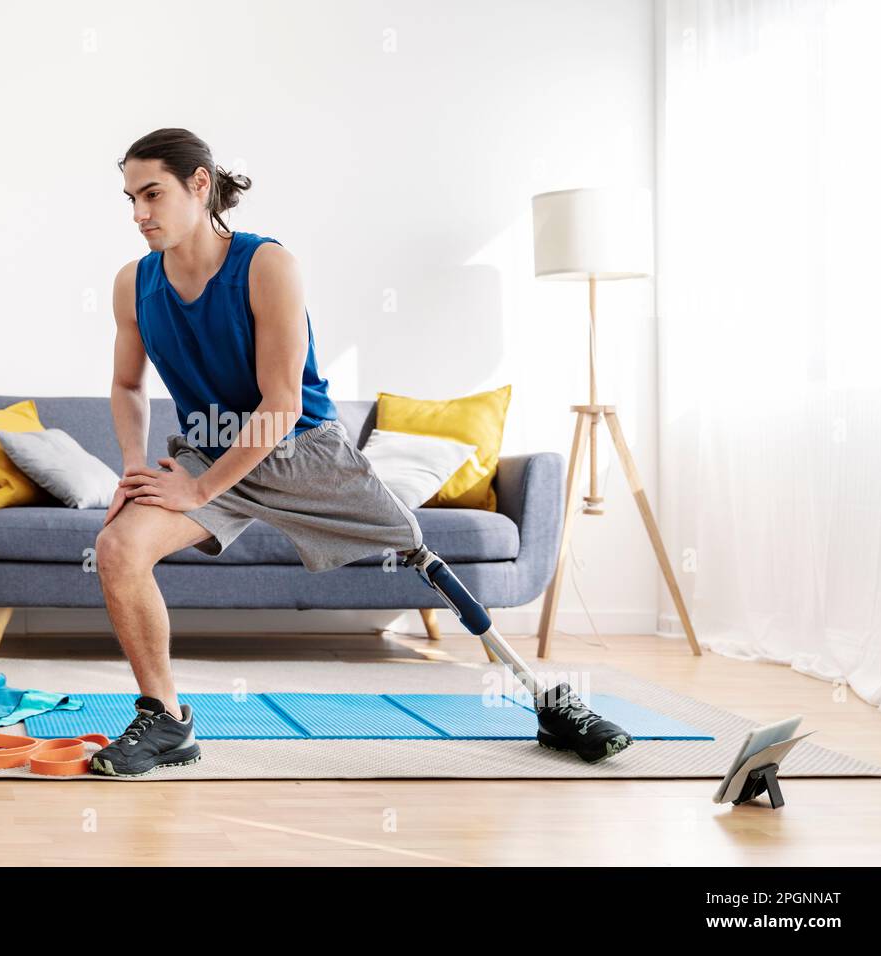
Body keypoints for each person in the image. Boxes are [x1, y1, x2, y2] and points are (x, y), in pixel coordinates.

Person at [89, 128, 631, 777]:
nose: (139, 214)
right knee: (119, 548)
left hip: (302, 451)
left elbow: (282, 404)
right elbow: (126, 384)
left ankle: (547, 699)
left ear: (200, 184)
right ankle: (167, 720)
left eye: (151, 194)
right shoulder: (134, 284)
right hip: (208, 452)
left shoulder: (266, 266)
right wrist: (133, 466)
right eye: (130, 198)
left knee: (418, 552)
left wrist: (199, 492)